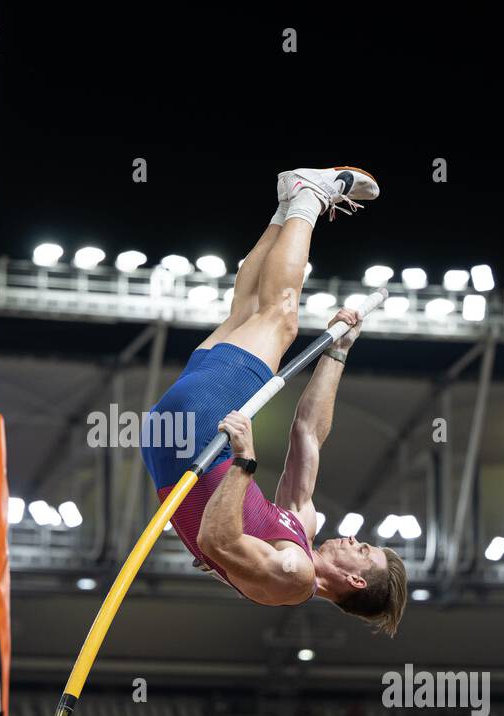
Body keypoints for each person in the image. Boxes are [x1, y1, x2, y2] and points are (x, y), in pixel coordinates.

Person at [142, 167, 407, 635]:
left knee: (282, 317)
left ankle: (309, 196)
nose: (354, 539)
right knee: (246, 313)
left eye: (363, 551)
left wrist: (245, 462)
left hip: (203, 438)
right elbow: (309, 432)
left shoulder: (294, 576)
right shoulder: (299, 529)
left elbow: (215, 539)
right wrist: (337, 353)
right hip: (178, 440)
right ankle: (287, 208)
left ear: (352, 580)